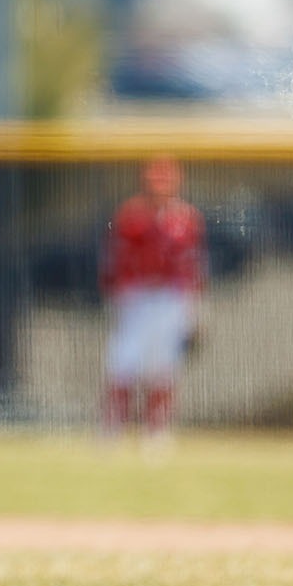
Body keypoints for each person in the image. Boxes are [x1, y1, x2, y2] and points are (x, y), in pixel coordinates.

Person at [98, 156, 207, 441]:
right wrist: (116, 297)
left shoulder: (186, 218)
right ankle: (111, 430)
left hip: (171, 299)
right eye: (154, 179)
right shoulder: (131, 215)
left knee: (163, 368)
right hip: (137, 296)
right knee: (124, 363)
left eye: (165, 179)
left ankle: (157, 433)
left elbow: (193, 267)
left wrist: (192, 311)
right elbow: (115, 261)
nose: (158, 185)